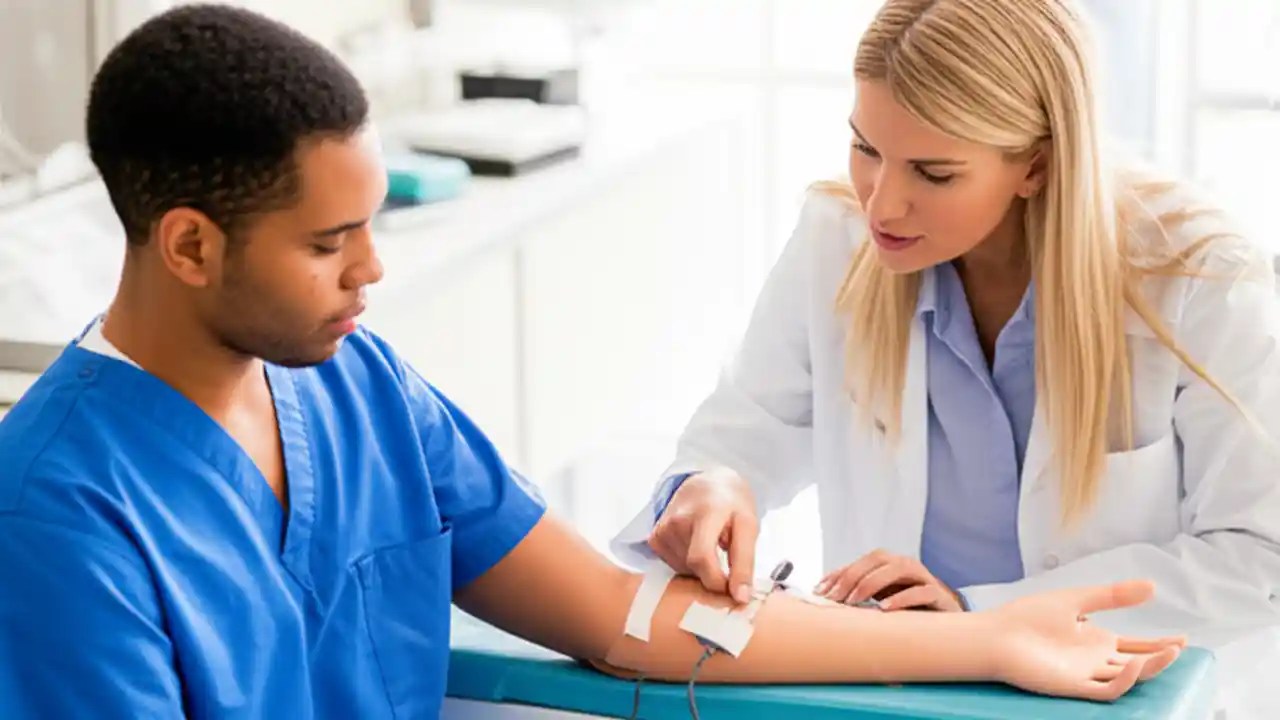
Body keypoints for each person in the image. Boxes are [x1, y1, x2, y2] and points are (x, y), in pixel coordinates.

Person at [0, 4, 1185, 718]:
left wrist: (980, 639)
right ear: (192, 246)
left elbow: (623, 617)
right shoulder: (57, 508)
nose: (372, 272)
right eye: (327, 244)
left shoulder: (359, 389)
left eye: (372, 227)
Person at [615, 0, 1280, 710]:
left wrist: (974, 615)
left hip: (1109, 692)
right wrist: (711, 484)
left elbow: (1258, 557)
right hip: (900, 687)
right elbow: (747, 429)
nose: (881, 206)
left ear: (1036, 165)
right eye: (866, 149)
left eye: (933, 174)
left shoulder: (1199, 275)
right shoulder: (835, 238)